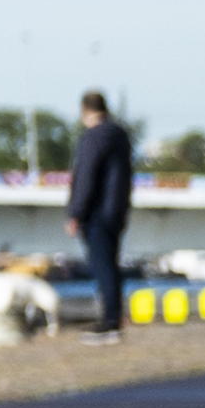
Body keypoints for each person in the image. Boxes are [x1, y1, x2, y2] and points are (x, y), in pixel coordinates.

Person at [70, 90, 140, 335]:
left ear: (84, 111)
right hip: (117, 209)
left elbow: (86, 176)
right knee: (111, 264)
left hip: (97, 212)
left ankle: (109, 320)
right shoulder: (121, 135)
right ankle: (115, 315)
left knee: (101, 266)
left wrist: (75, 212)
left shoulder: (93, 137)